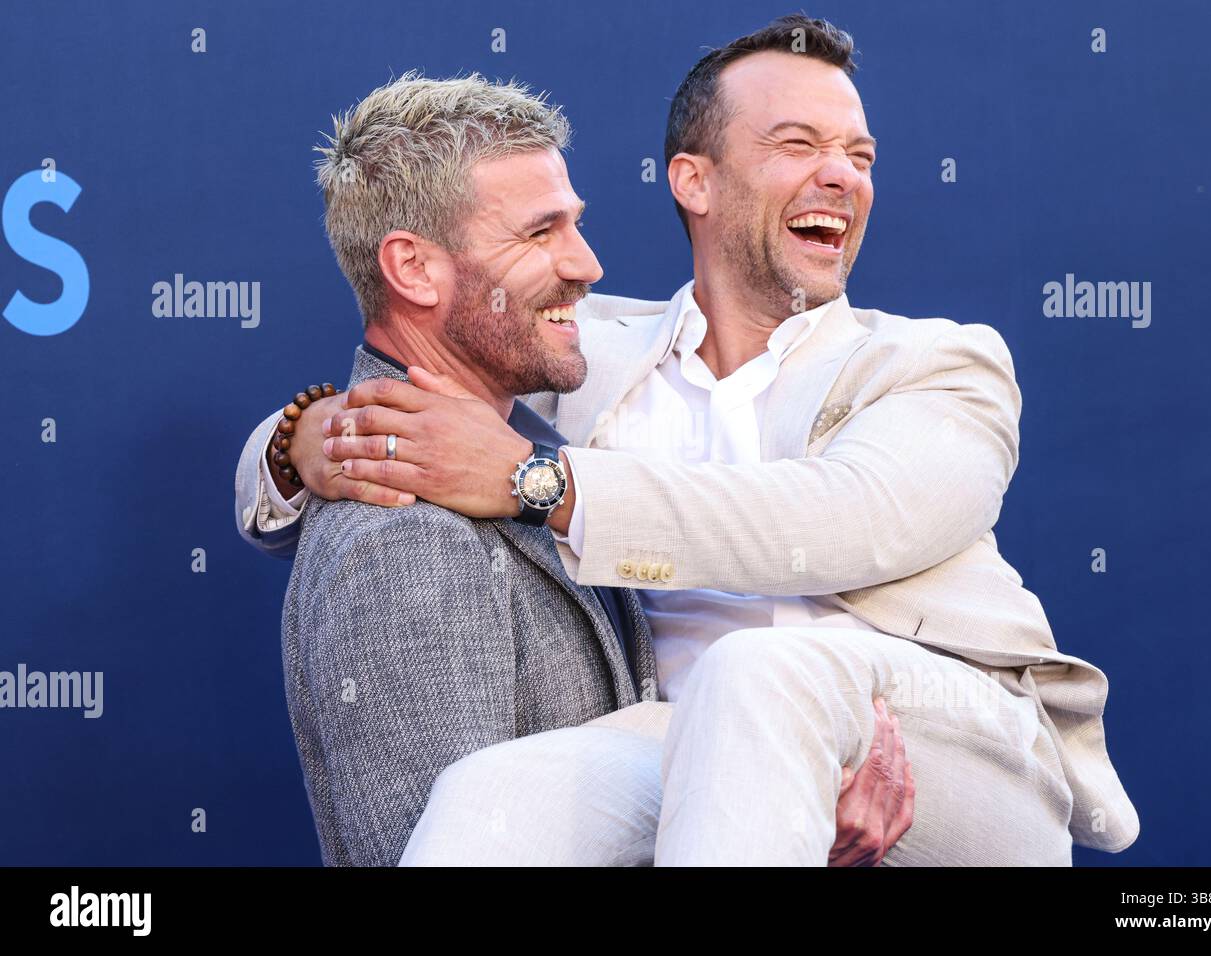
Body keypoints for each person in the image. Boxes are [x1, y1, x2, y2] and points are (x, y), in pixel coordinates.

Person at [239, 15, 1139, 865]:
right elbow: (445, 353)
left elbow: (842, 520)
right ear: (693, 180)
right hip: (711, 757)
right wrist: (309, 439)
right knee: (491, 793)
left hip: (943, 741)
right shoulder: (594, 356)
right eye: (798, 145)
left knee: (758, 673)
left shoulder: (939, 365)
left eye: (859, 156)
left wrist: (539, 482)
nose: (842, 175)